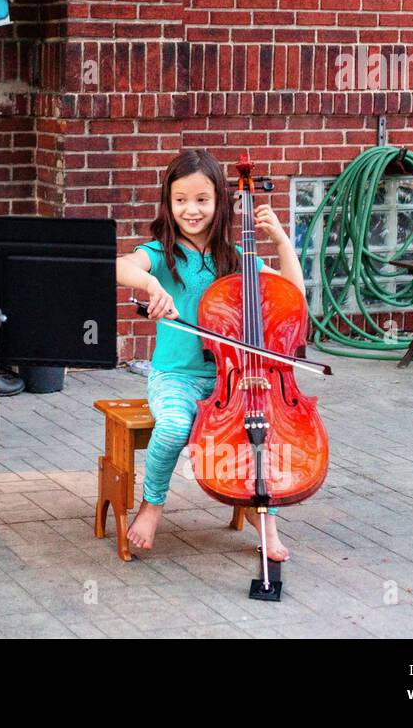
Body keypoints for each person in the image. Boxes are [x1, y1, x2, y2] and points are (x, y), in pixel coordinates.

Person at [115, 149, 305, 559]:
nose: (191, 210)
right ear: (167, 203)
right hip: (175, 377)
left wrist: (282, 242)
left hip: (230, 380)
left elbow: (293, 295)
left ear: (220, 201)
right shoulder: (161, 254)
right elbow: (121, 266)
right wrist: (151, 287)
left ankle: (263, 519)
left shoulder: (234, 259)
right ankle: (153, 505)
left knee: (260, 436)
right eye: (181, 200)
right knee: (172, 428)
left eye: (202, 200)